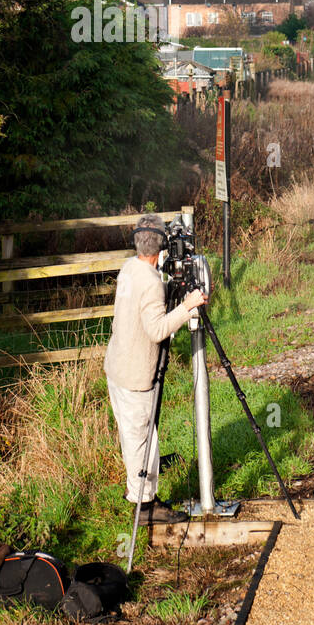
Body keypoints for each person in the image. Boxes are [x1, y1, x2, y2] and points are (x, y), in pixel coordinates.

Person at [104, 212, 206, 526]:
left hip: (117, 367)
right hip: (135, 375)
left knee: (132, 435)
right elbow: (158, 329)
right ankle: (145, 506)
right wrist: (187, 305)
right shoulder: (149, 282)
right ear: (161, 246)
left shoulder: (129, 268)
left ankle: (144, 478)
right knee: (140, 440)